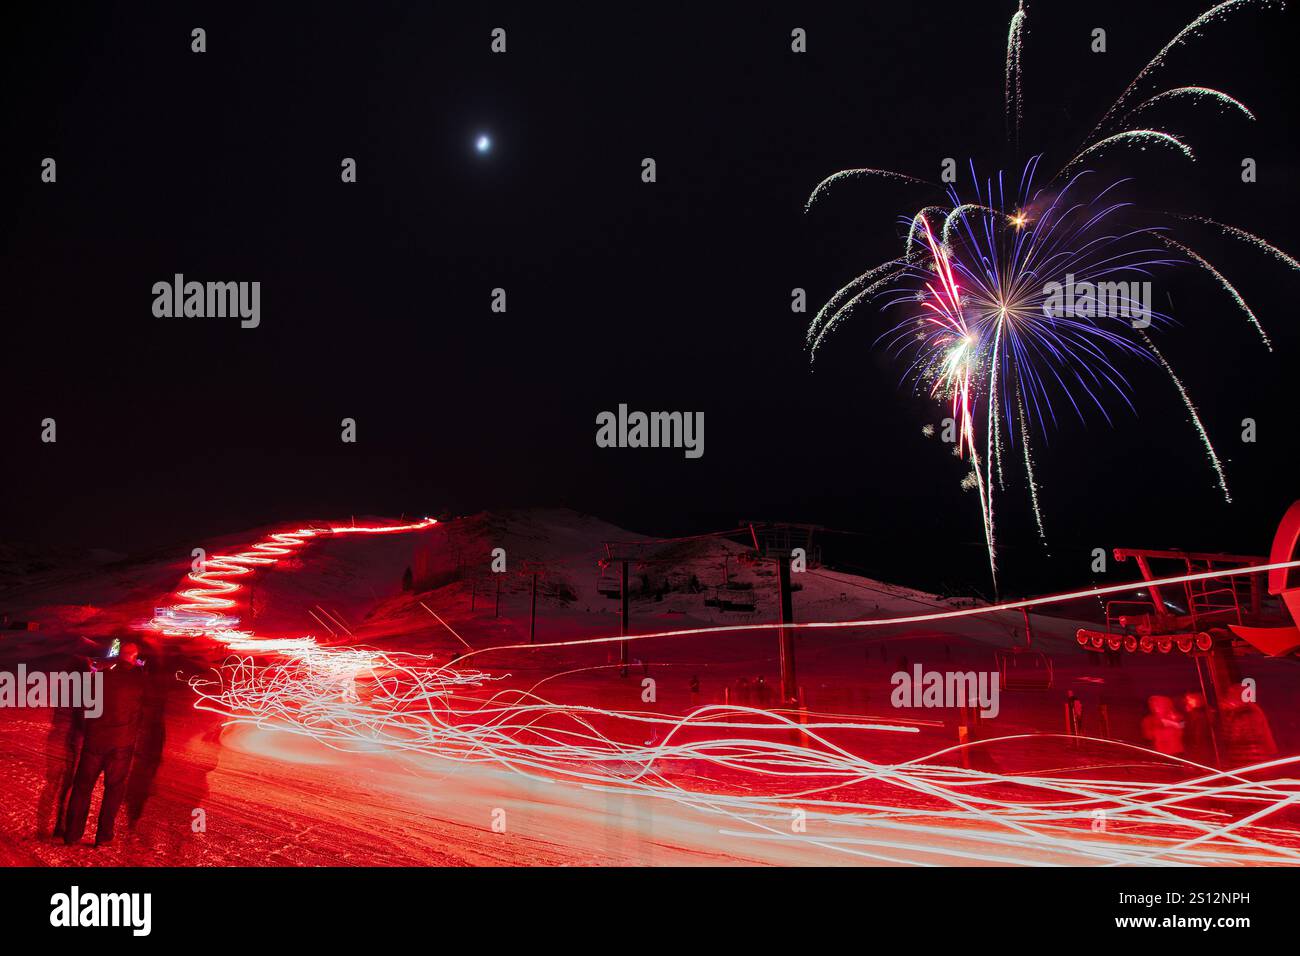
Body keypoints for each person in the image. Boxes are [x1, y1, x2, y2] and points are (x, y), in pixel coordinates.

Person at [63, 639, 147, 846]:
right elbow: (145, 714)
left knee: (82, 788)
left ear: (119, 656)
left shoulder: (100, 678)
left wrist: (88, 730)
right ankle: (103, 836)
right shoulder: (140, 682)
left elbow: (83, 708)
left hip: (95, 742)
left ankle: (72, 834)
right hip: (122, 745)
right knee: (114, 789)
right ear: (134, 658)